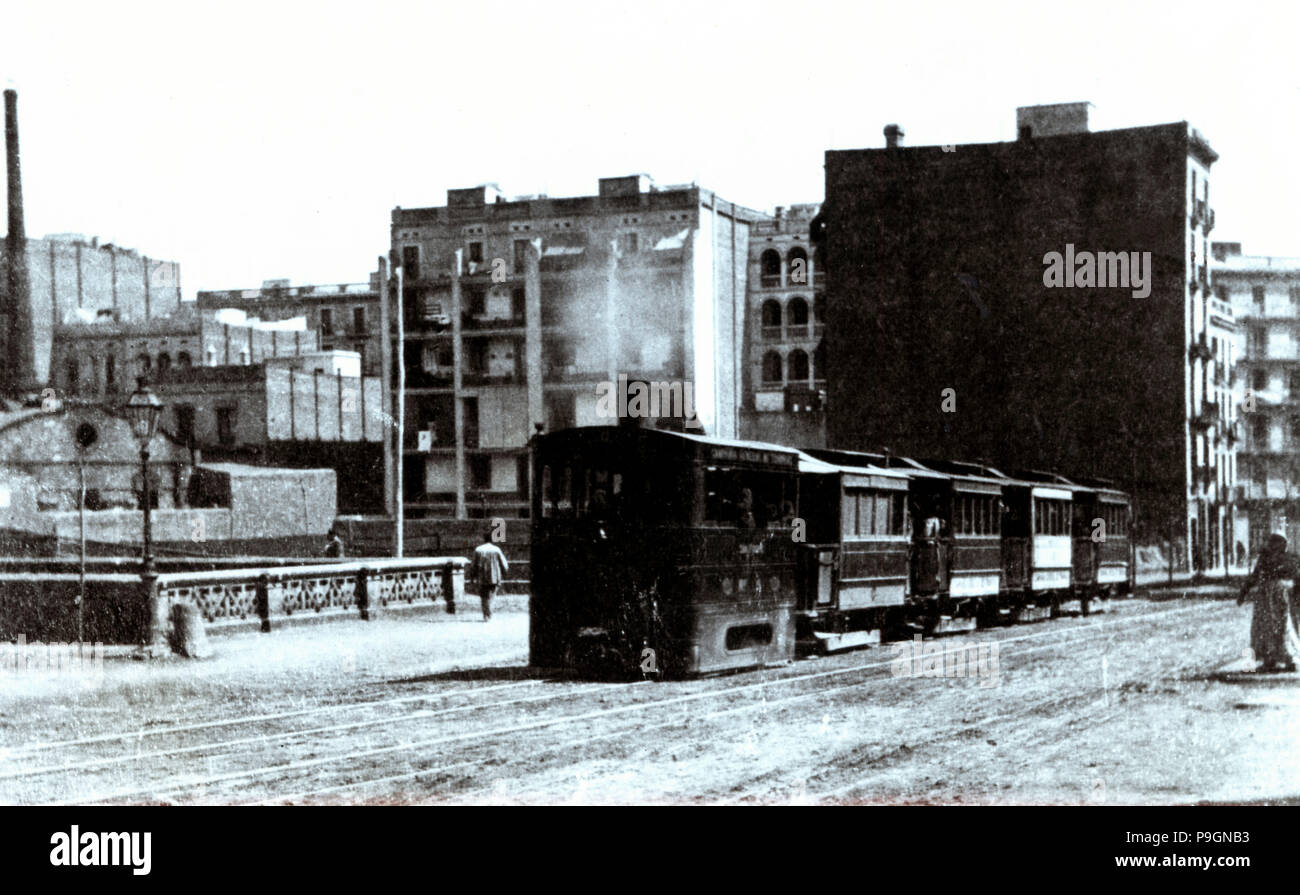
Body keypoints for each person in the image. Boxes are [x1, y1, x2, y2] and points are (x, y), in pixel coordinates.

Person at [1238, 534, 1300, 672]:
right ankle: (1271, 659)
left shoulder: (1287, 558)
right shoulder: (1266, 558)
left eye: (1277, 542)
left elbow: (1296, 576)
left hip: (1277, 596)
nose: (1274, 545)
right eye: (1272, 542)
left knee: (1281, 625)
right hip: (1266, 597)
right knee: (1266, 627)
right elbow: (1255, 576)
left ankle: (1287, 658)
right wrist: (1243, 592)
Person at [471, 529, 509, 622]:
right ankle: (489, 613)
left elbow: (473, 565)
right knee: (491, 595)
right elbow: (504, 564)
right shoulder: (496, 550)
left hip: (482, 576)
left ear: (484, 539)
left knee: (483, 596)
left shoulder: (478, 549)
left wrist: (472, 576)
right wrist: (504, 572)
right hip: (494, 576)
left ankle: (485, 614)